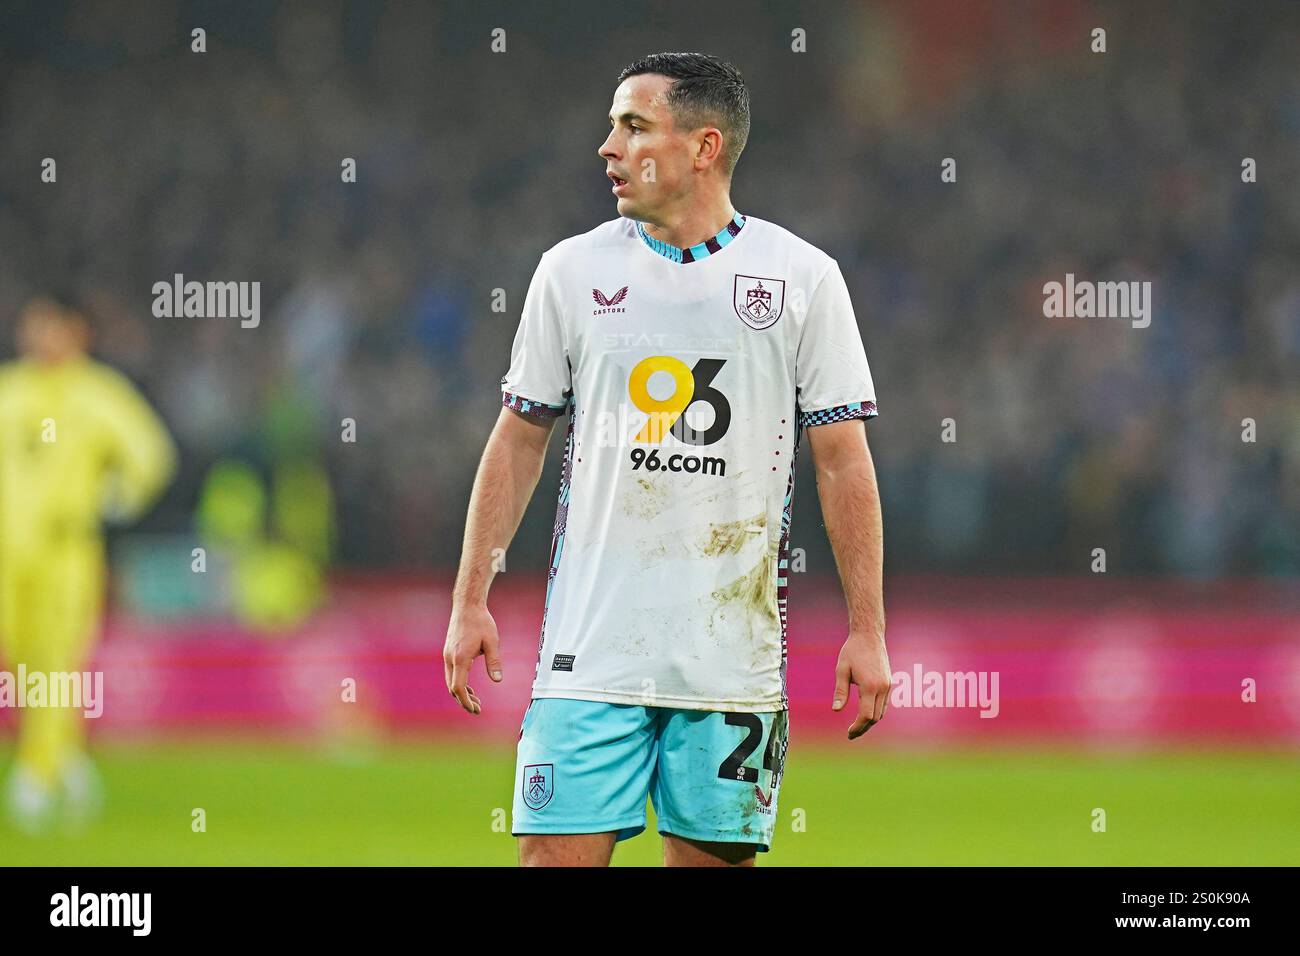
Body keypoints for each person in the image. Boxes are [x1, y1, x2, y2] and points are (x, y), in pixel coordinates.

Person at [443, 52, 891, 867]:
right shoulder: (570, 272)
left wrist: (868, 628)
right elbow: (519, 438)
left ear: (703, 146)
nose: (608, 147)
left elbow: (841, 461)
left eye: (633, 126)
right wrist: (471, 596)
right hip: (589, 656)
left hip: (730, 665)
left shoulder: (802, 280)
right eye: (613, 125)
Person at [0, 295, 178, 832]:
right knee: (18, 663)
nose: (38, 336)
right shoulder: (9, 392)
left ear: (76, 330)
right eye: (32, 326)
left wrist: (109, 500)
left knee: (56, 662)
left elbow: (151, 456)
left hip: (66, 551)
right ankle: (67, 756)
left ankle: (35, 776)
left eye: (49, 325)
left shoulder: (100, 395)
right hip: (8, 555)